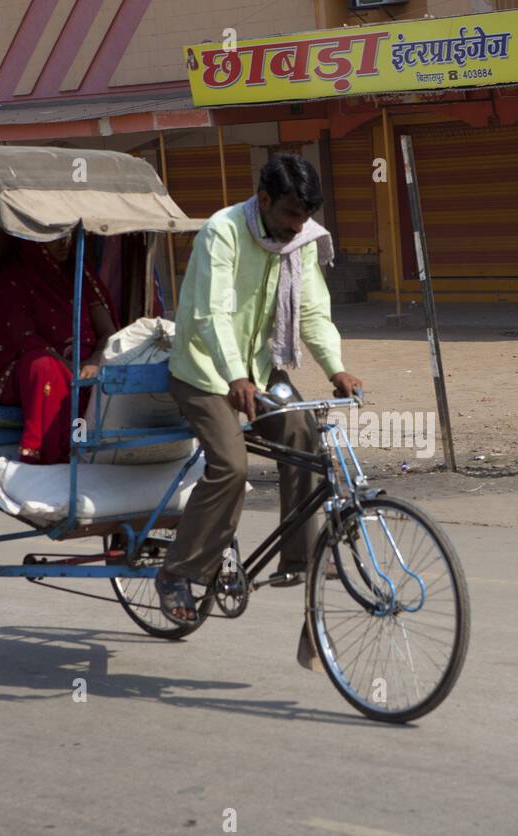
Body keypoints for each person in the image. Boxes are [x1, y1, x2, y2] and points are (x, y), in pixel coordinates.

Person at [154, 154, 362, 624]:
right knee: (230, 465)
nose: (298, 226)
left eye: (306, 216)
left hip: (260, 371)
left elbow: (311, 308)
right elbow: (211, 314)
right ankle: (179, 573)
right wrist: (233, 377)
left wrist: (337, 368)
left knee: (302, 436)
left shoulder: (299, 240)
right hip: (205, 372)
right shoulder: (222, 231)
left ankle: (299, 558)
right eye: (290, 214)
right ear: (264, 200)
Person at [0, 234, 118, 463]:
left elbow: (108, 332)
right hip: (34, 367)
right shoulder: (13, 277)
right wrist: (70, 368)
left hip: (87, 363)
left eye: (68, 236)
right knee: (44, 367)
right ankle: (46, 456)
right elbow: (23, 339)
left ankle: (90, 449)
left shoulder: (78, 274)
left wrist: (95, 360)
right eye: (54, 238)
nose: (65, 243)